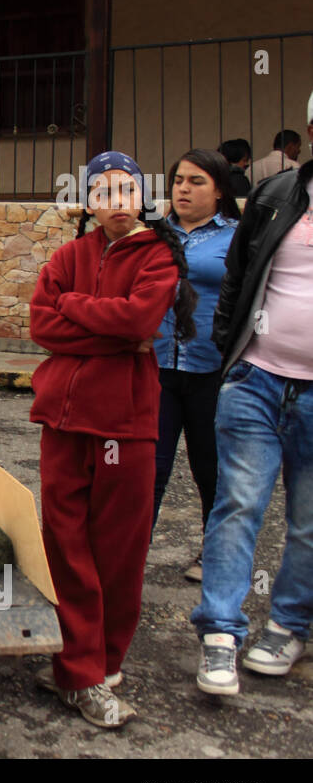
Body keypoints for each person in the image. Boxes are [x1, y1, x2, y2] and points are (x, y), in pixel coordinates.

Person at [29, 150, 197, 729]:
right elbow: (40, 322)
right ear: (90, 202)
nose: (116, 202)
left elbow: (138, 322)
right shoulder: (68, 256)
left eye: (126, 190)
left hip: (125, 424)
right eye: (103, 192)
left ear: (140, 197)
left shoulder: (159, 257)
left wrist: (78, 316)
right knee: (65, 545)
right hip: (62, 420)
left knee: (118, 553)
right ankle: (79, 669)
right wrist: (104, 323)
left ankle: (97, 666)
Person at [191, 90, 313, 696]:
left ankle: (287, 626)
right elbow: (238, 274)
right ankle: (220, 635)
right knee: (237, 506)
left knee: (309, 522)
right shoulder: (276, 196)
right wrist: (231, 355)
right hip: (257, 380)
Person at [152, 149, 240, 582]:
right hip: (156, 369)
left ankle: (215, 555)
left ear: (220, 189)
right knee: (151, 467)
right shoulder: (151, 235)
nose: (183, 188)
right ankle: (133, 552)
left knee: (213, 469)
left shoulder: (238, 238)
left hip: (213, 372)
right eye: (179, 180)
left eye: (197, 181)